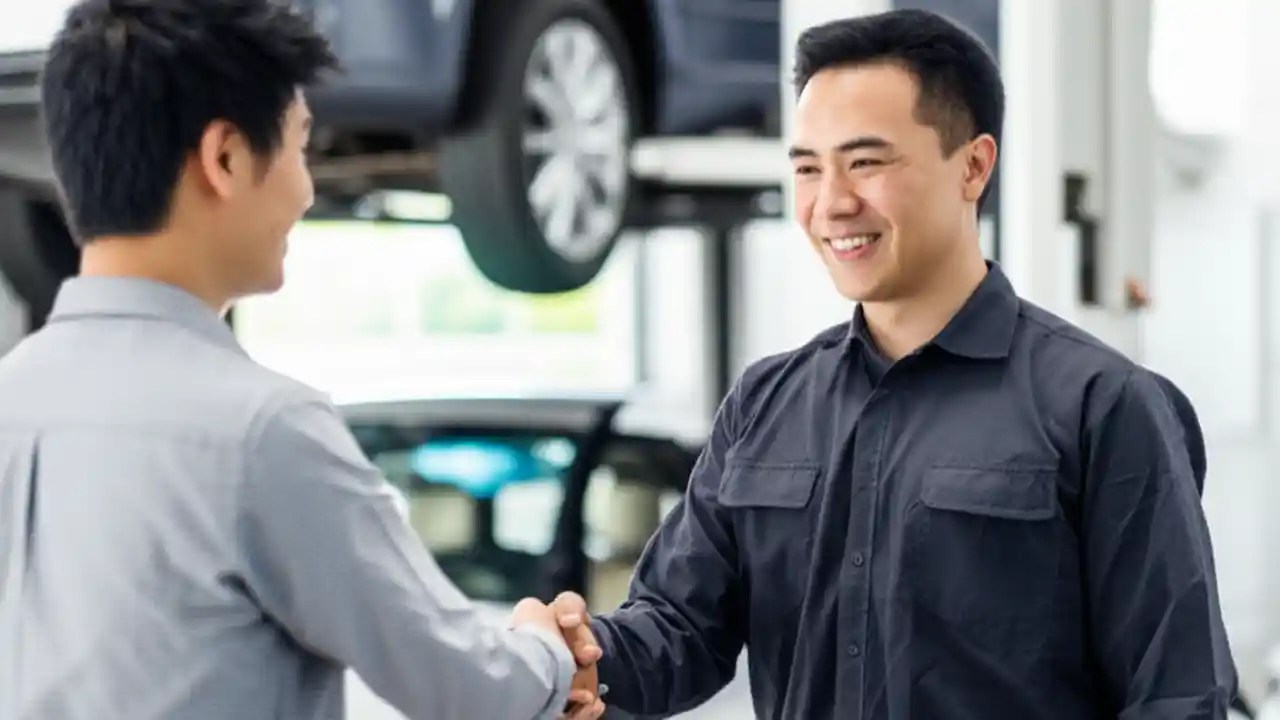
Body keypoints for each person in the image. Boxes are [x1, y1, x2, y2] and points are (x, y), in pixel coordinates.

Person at [549, 9, 1238, 719]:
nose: (833, 203)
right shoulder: (765, 404)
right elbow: (680, 629)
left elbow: (1178, 696)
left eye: (867, 162)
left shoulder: (1103, 405)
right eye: (809, 169)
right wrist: (571, 654)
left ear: (973, 166)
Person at [0, 1, 602, 718]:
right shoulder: (260, 430)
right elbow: (466, 687)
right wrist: (545, 648)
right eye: (297, 147)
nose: (306, 189)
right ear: (225, 158)